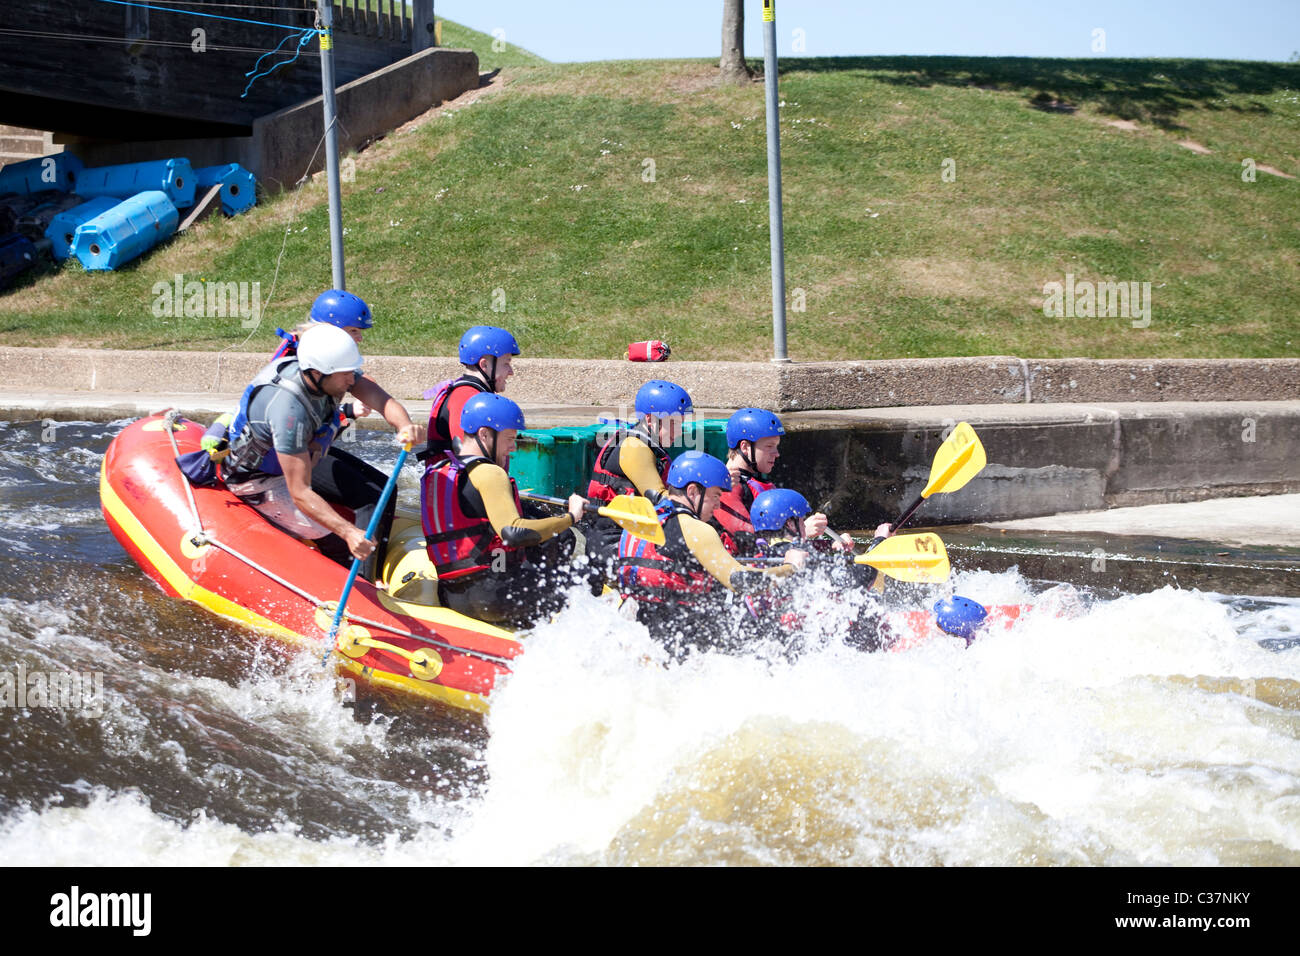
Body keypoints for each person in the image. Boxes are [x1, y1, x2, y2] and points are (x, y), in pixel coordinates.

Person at [221, 324, 425, 579]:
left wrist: (405, 426)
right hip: (259, 480)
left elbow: (382, 400)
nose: (352, 381)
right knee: (341, 546)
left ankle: (371, 576)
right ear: (317, 373)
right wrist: (348, 532)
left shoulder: (328, 375)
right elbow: (300, 492)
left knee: (380, 490)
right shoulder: (288, 411)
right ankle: (354, 590)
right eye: (346, 375)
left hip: (302, 457)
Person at [614, 450, 807, 655]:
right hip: (675, 639)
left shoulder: (639, 521)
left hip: (631, 630)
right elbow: (741, 581)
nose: (717, 505)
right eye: (715, 496)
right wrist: (790, 567)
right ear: (693, 492)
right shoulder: (696, 529)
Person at [421, 393, 587, 626]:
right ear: (484, 434)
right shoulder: (489, 473)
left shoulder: (441, 472)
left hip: (452, 595)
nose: (513, 447)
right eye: (509, 438)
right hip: (496, 595)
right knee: (587, 579)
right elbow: (514, 532)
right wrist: (569, 517)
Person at [585, 379, 693, 569]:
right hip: (611, 543)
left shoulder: (648, 447)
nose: (679, 432)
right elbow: (662, 500)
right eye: (674, 424)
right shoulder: (634, 447)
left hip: (627, 537)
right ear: (651, 420)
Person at [711, 407, 849, 555]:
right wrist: (802, 532)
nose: (776, 454)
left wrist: (830, 545)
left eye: (776, 446)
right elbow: (751, 540)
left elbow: (779, 546)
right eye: (769, 446)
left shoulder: (762, 485)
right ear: (745, 447)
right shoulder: (726, 488)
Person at [423, 325, 519, 464]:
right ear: (484, 365)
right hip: (459, 484)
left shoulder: (476, 394)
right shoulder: (465, 397)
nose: (511, 372)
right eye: (506, 363)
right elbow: (465, 453)